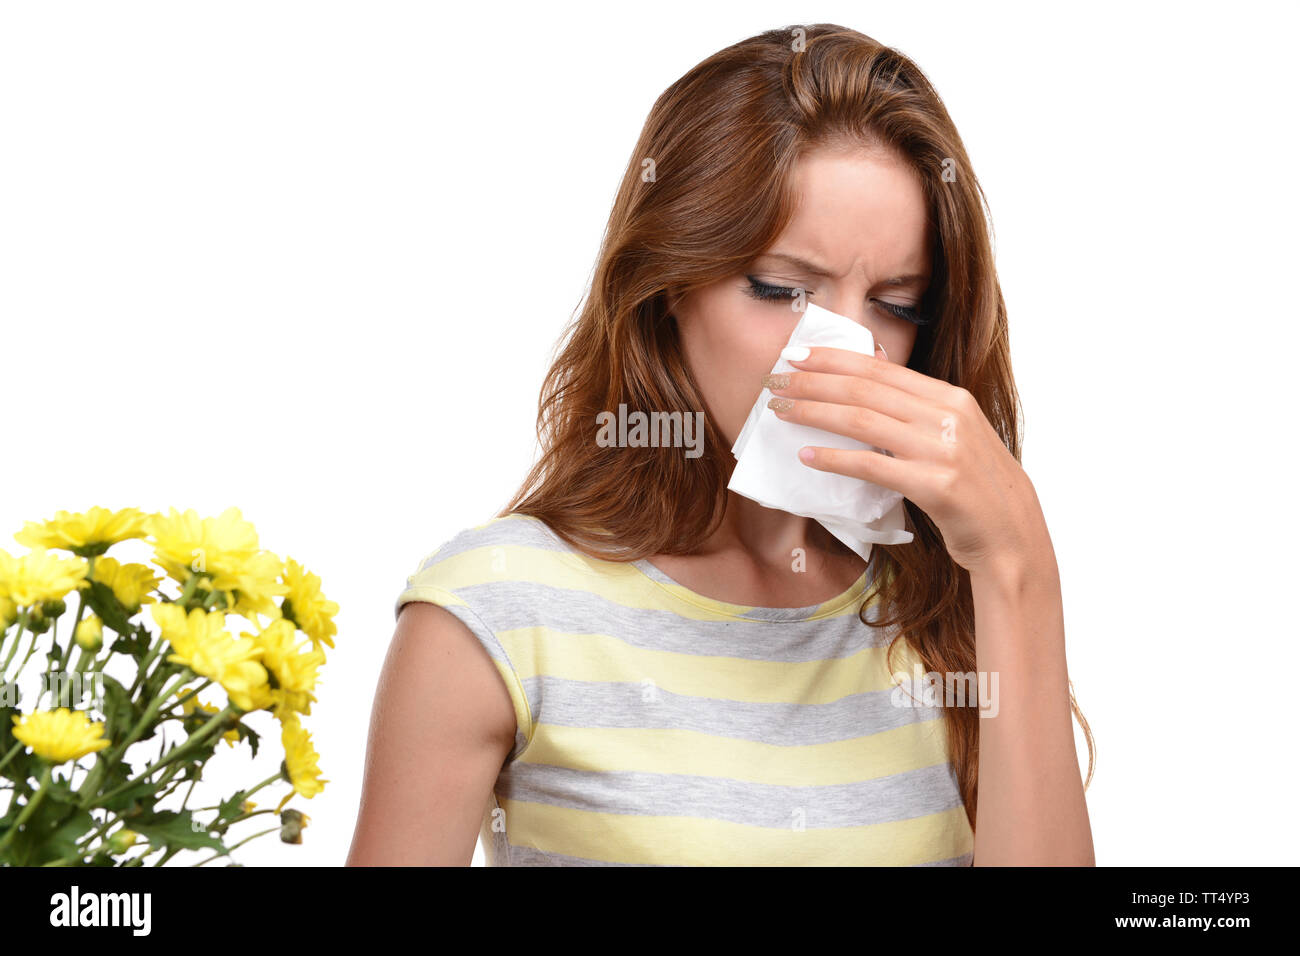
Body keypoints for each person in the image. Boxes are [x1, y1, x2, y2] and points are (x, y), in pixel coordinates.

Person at [347, 23, 1095, 866]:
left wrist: (1016, 564)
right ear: (669, 287)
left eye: (897, 304)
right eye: (782, 289)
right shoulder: (498, 615)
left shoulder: (938, 612)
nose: (843, 349)